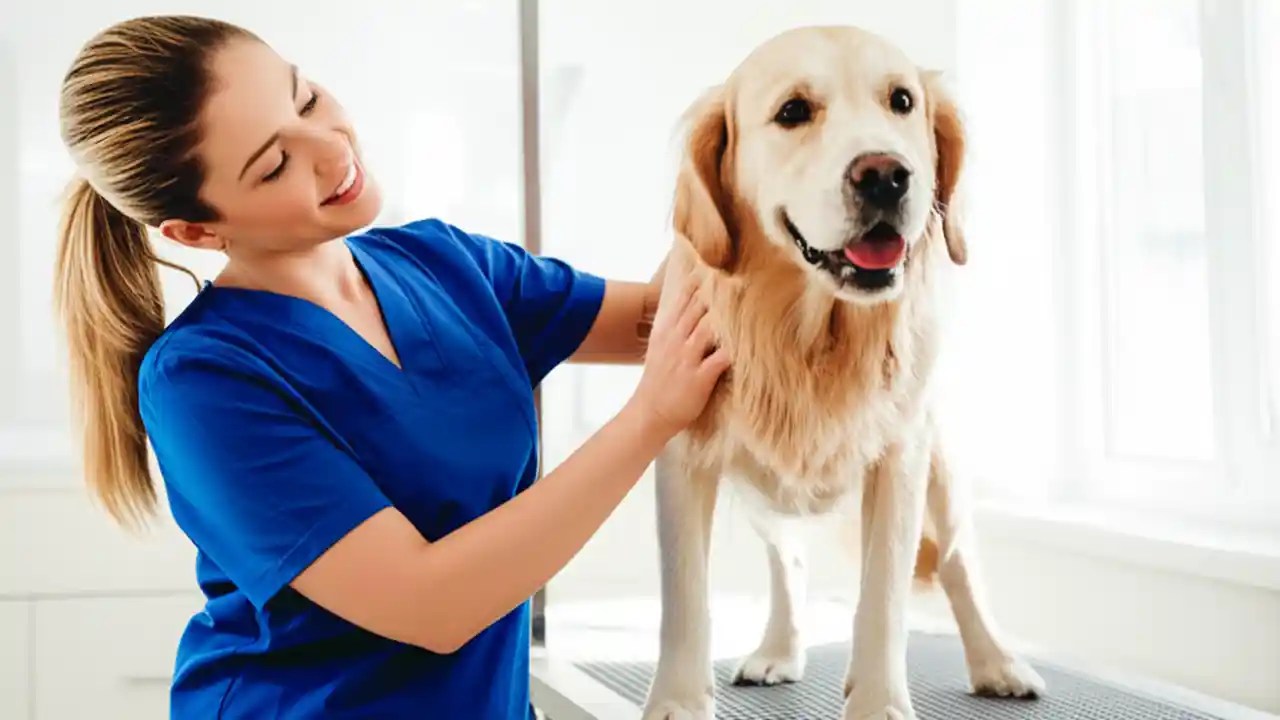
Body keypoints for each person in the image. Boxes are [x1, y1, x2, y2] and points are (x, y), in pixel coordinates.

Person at [52, 14, 729, 720]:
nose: (329, 146)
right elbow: (430, 603)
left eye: (305, 97)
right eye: (274, 163)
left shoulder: (446, 265)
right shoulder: (204, 381)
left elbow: (683, 321)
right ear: (197, 230)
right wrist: (650, 418)